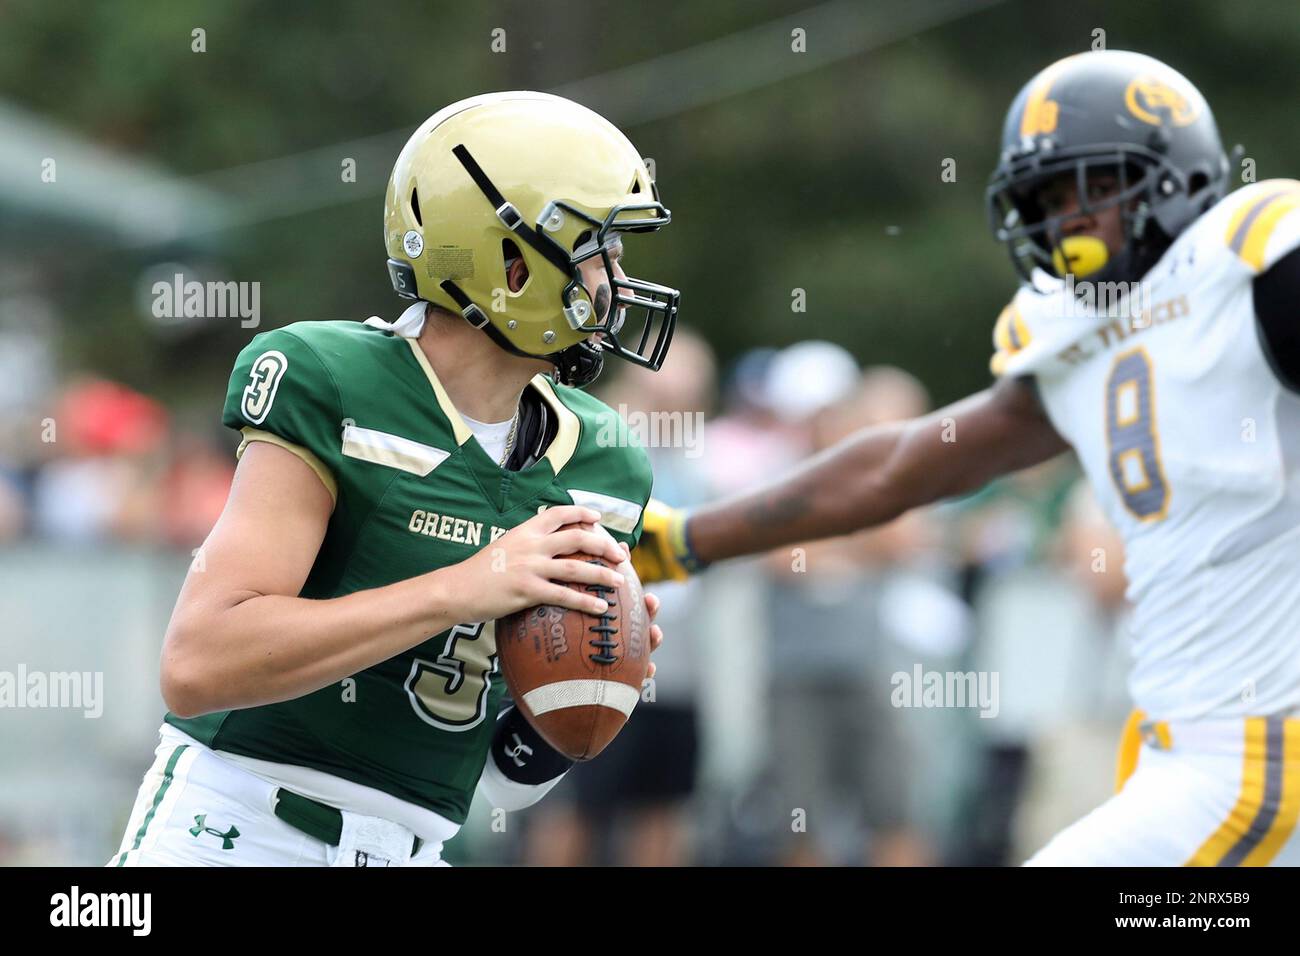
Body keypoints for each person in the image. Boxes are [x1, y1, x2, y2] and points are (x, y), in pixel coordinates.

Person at [633, 50, 1300, 866]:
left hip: (1256, 755)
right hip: (1187, 749)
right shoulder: (1075, 336)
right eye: (1046, 201)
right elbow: (901, 465)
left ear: (1170, 176)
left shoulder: (1256, 262)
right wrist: (689, 537)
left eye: (1089, 189)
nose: (1066, 221)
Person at [109, 91, 674, 867]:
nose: (614, 280)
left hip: (415, 848)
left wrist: (588, 680)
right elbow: (200, 664)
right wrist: (464, 587)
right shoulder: (333, 380)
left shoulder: (607, 458)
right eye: (597, 248)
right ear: (508, 260)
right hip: (242, 830)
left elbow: (504, 781)